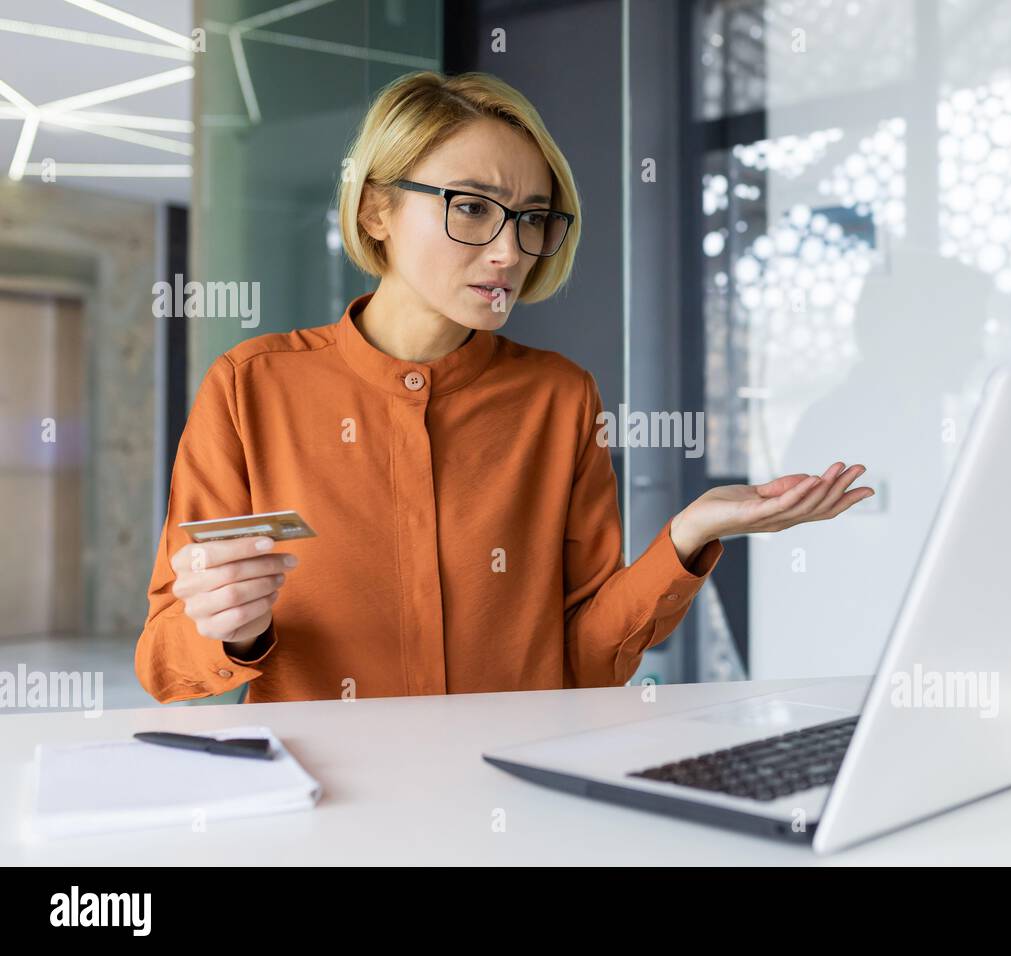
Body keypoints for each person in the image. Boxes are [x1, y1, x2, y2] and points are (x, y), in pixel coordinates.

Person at [135, 70, 873, 704]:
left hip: (510, 798)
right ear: (375, 210)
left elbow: (585, 661)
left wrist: (690, 534)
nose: (508, 250)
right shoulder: (250, 389)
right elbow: (162, 665)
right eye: (472, 207)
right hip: (329, 809)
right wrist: (237, 629)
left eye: (530, 218)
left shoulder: (559, 399)